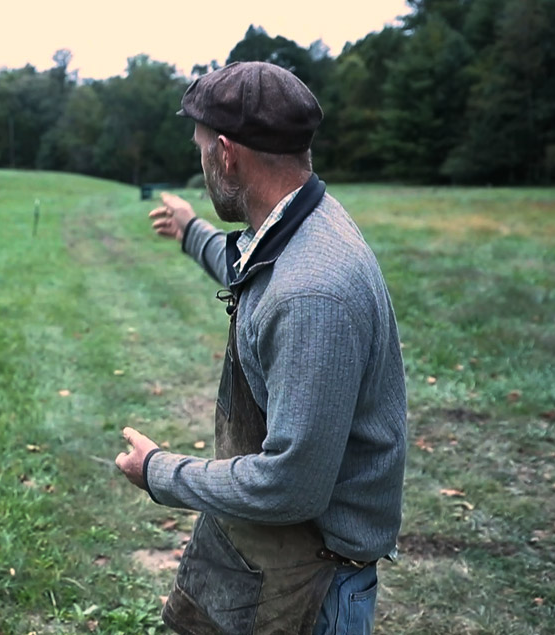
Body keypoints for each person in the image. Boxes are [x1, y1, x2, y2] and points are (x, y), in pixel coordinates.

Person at [113, 62, 407, 635]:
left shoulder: (312, 292)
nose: (201, 168)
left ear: (226, 154)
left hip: (316, 589)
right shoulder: (299, 223)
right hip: (285, 559)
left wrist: (159, 472)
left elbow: (291, 486)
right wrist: (191, 229)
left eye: (201, 151)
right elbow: (253, 267)